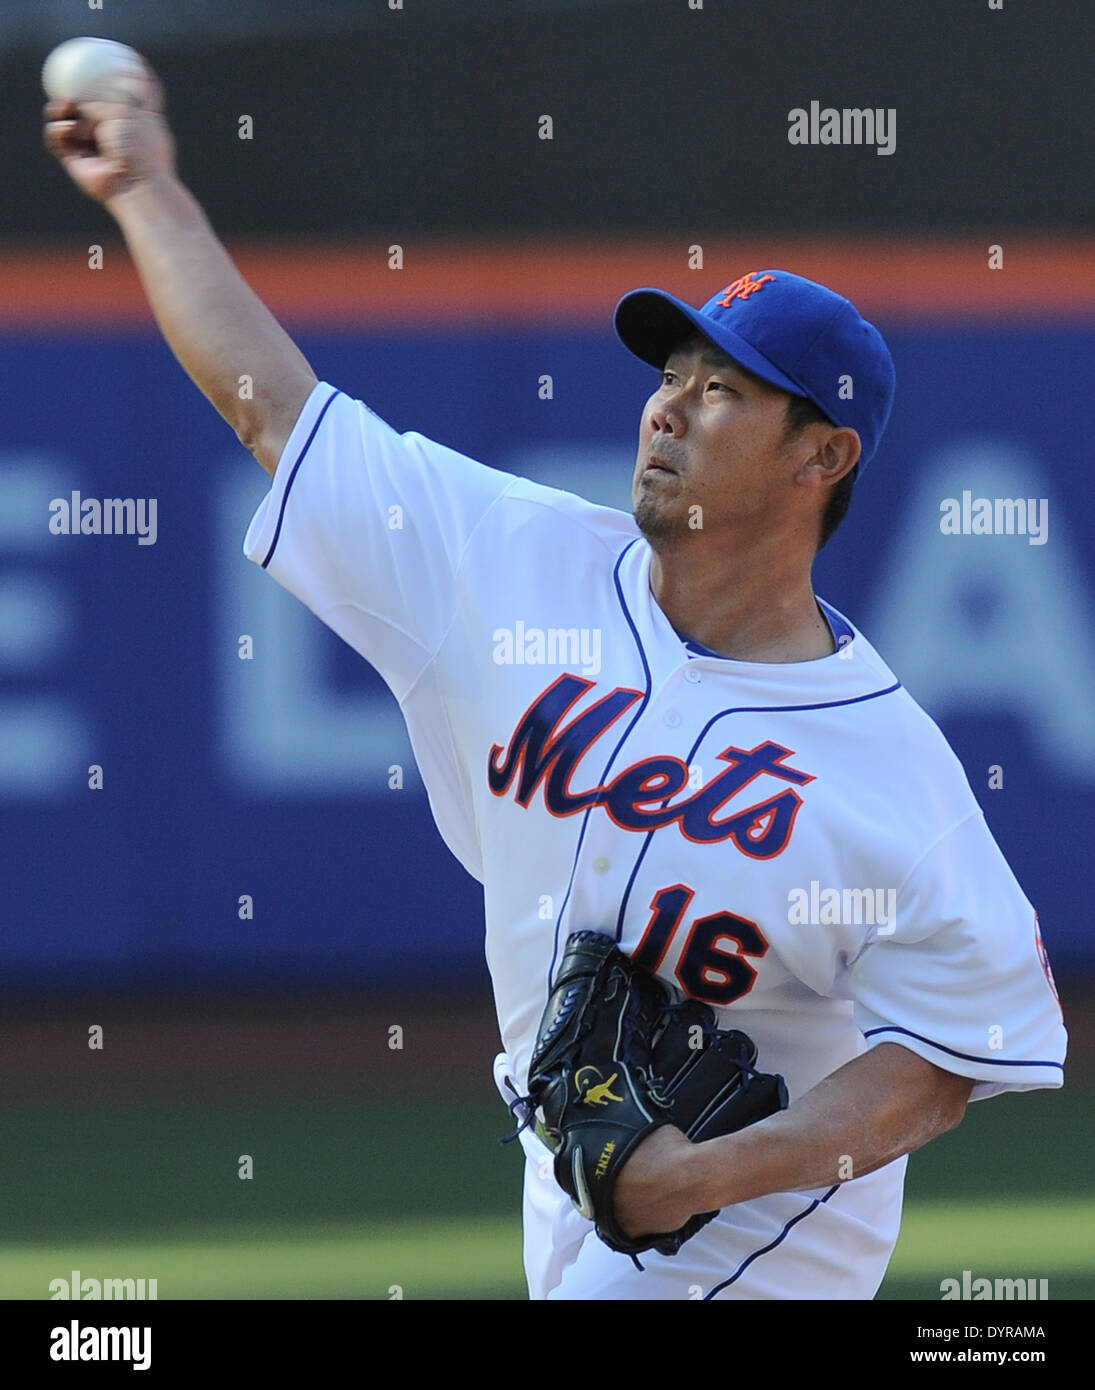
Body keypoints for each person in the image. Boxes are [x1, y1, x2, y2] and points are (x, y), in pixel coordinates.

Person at [44, 77, 1067, 1302]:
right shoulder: (517, 562)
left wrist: (709, 1175)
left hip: (764, 1239)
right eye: (672, 371)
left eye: (724, 390)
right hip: (569, 1189)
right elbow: (275, 414)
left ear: (824, 454)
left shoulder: (889, 770)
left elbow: (943, 1066)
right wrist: (148, 191)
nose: (668, 408)